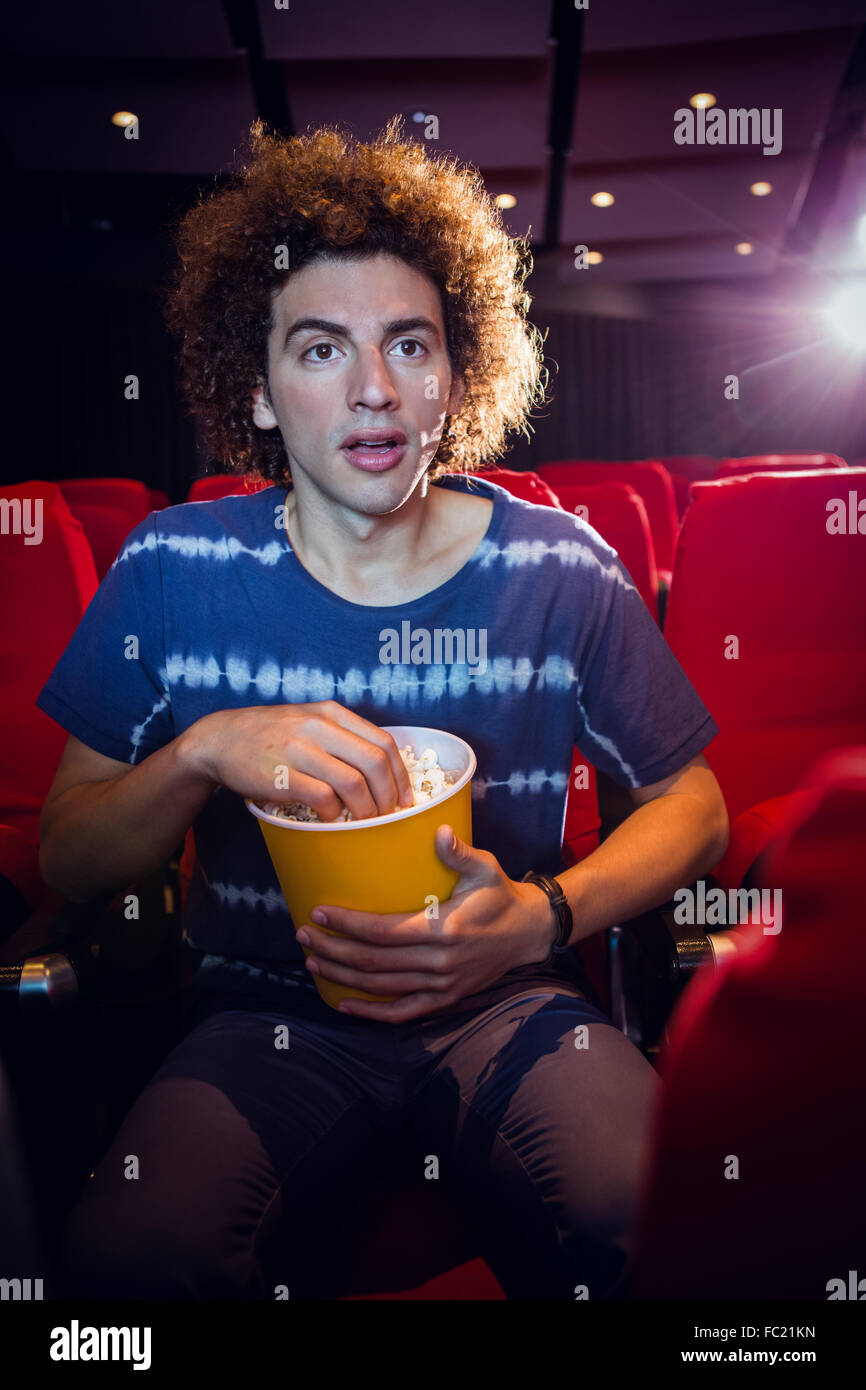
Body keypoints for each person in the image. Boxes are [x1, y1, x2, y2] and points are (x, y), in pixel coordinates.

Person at [37, 117, 728, 1301]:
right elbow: (68, 853)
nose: (372, 389)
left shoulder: (562, 566)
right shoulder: (169, 569)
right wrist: (203, 752)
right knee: (124, 1263)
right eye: (320, 350)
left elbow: (695, 805)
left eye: (408, 344)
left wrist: (542, 917)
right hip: (261, 1022)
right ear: (254, 392)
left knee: (664, 1221)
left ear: (454, 378)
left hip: (511, 1002)